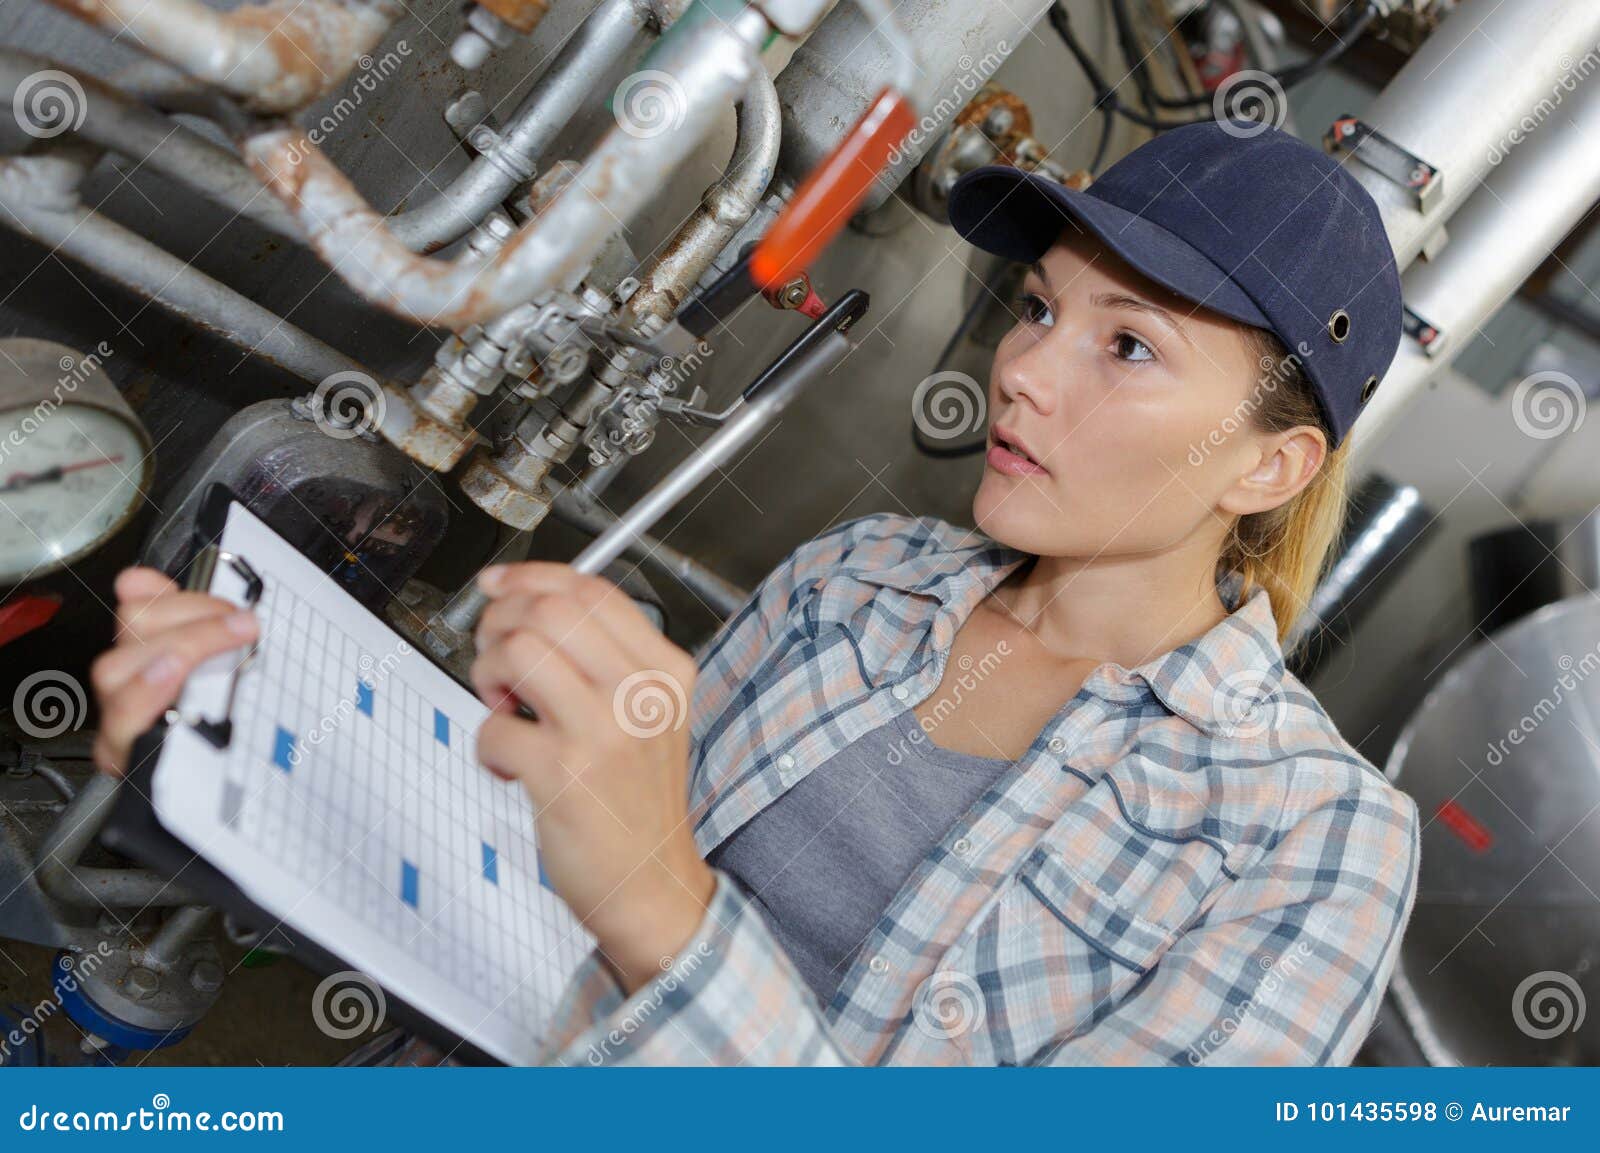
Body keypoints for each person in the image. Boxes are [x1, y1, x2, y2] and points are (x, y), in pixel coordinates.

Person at [89, 119, 1420, 1066]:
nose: (1023, 371)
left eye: (1128, 344)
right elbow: (536, 890)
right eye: (1036, 308)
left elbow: (638, 882)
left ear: (1267, 463)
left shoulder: (1315, 840)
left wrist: (665, 908)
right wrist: (274, 730)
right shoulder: (862, 575)